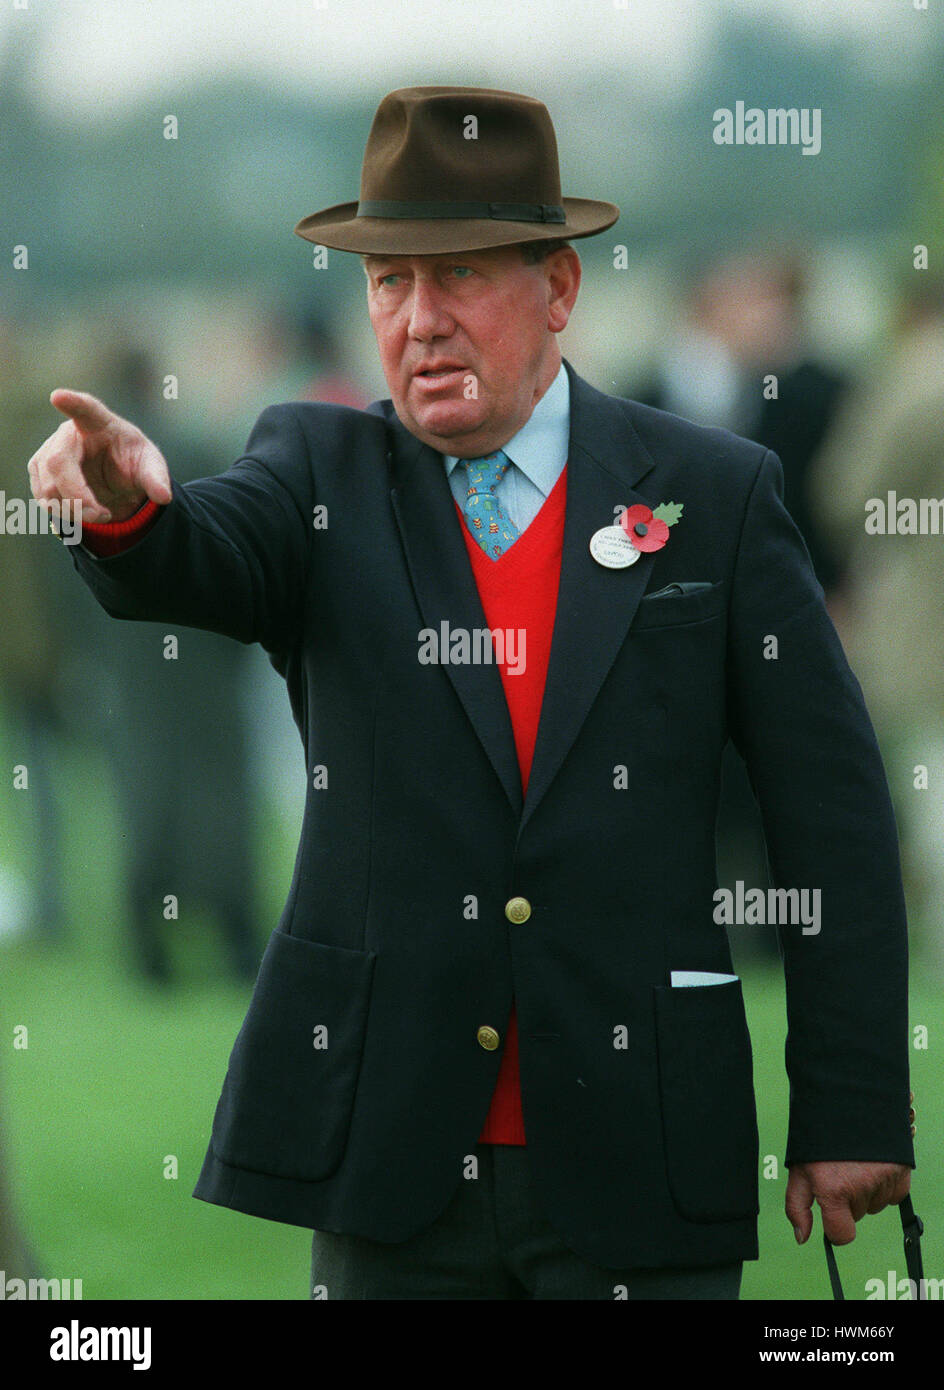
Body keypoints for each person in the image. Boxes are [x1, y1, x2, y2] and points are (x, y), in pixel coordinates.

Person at [27, 85, 914, 1301]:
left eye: (458, 277)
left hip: (643, 1158)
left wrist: (852, 1097)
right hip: (388, 1161)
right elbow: (204, 549)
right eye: (389, 283)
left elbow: (833, 810)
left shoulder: (713, 495)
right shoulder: (313, 463)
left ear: (557, 289)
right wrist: (132, 508)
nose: (419, 319)